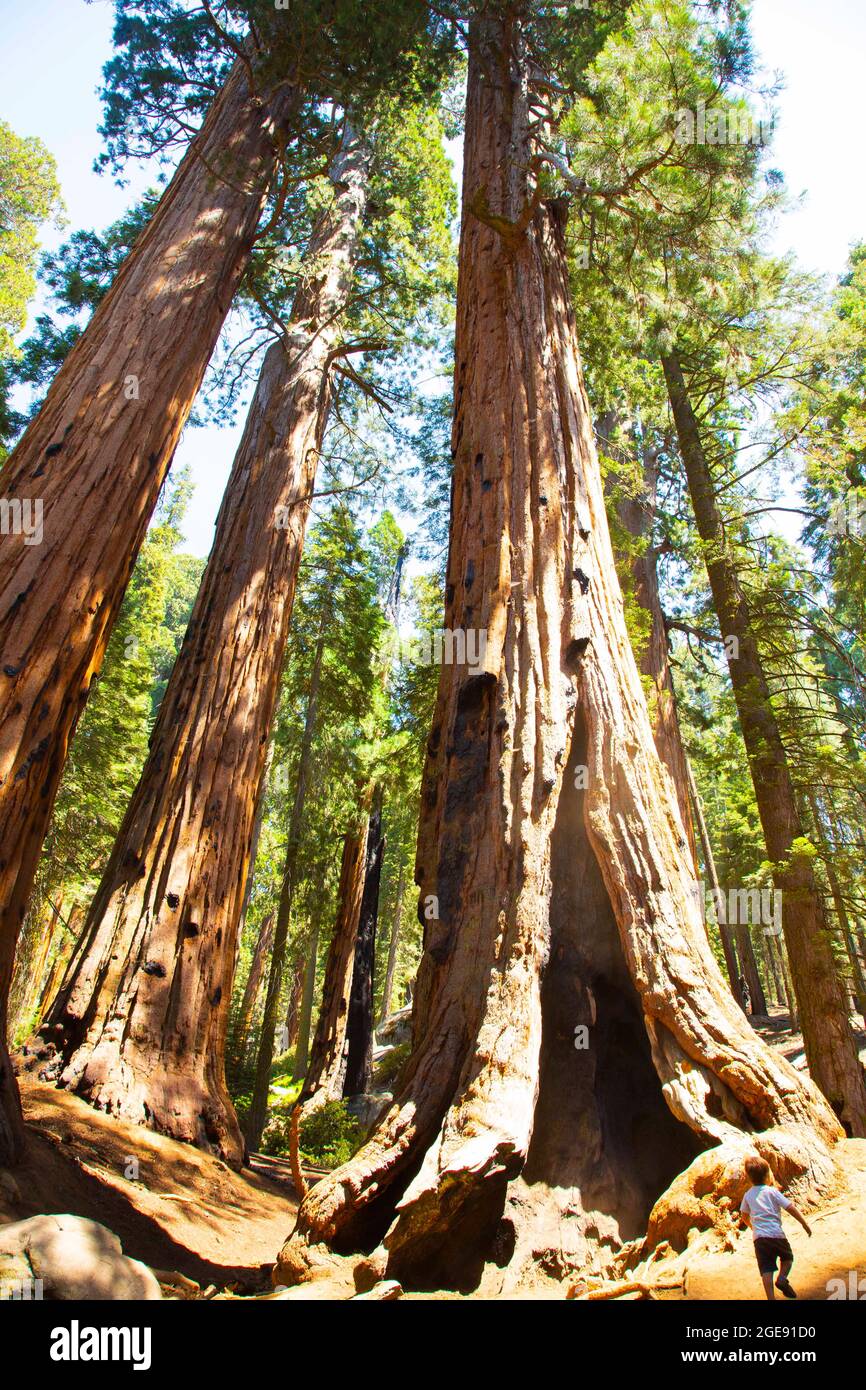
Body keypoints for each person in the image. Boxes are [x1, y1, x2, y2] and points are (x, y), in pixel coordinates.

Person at [740, 1156, 812, 1299]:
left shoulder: (748, 1195)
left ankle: (770, 1298)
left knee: (766, 1269)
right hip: (776, 1234)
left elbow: (744, 1215)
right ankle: (782, 1278)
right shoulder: (772, 1192)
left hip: (760, 1239)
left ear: (748, 1177)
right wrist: (804, 1223)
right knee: (787, 1258)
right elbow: (790, 1207)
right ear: (767, 1175)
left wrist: (752, 1227)